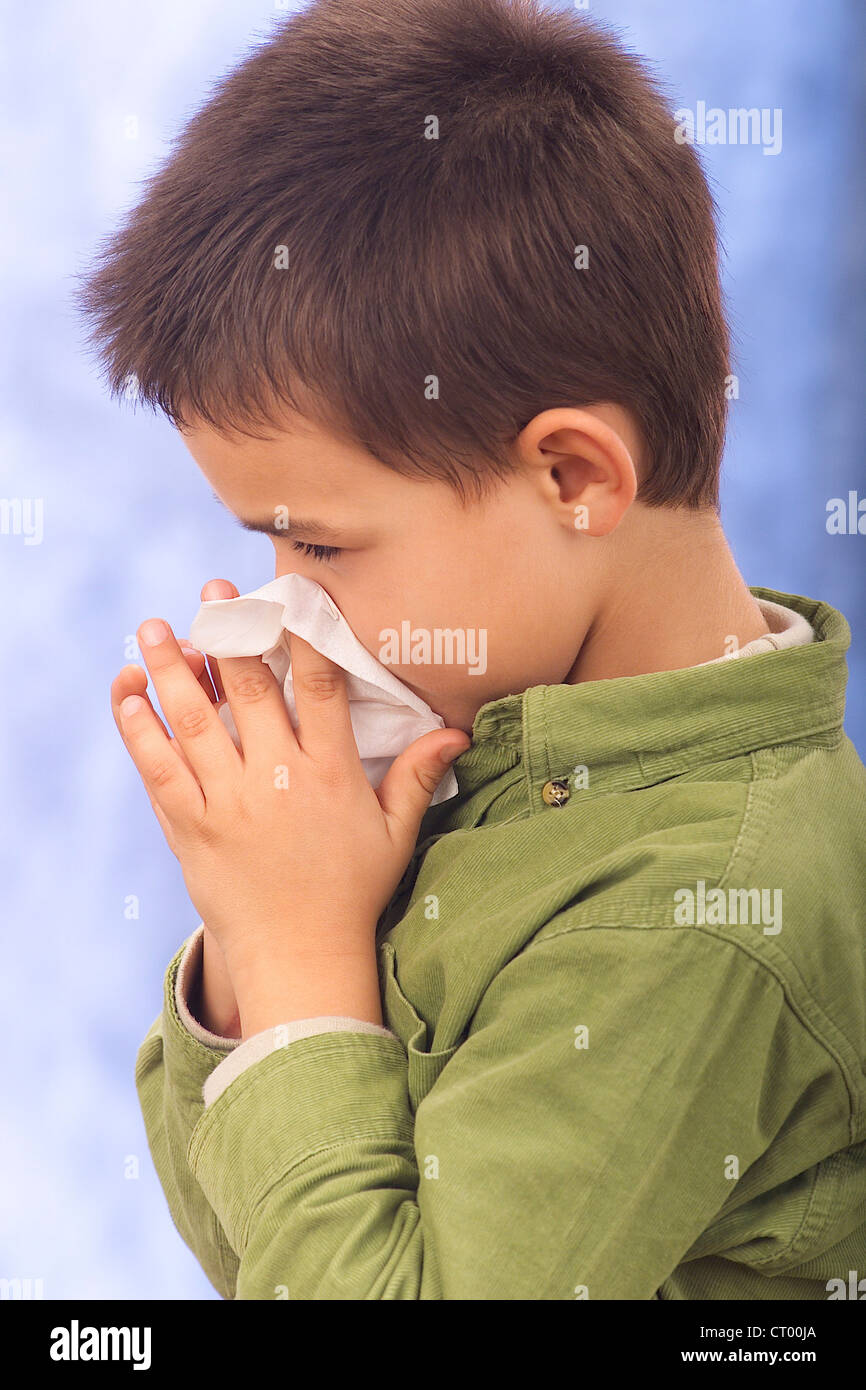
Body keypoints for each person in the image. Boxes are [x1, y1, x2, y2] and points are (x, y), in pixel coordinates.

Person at [79, 0, 866, 1299]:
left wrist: (300, 954)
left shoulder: (691, 916)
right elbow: (257, 1248)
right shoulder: (494, 732)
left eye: (323, 547)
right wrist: (250, 930)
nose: (289, 610)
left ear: (571, 477)